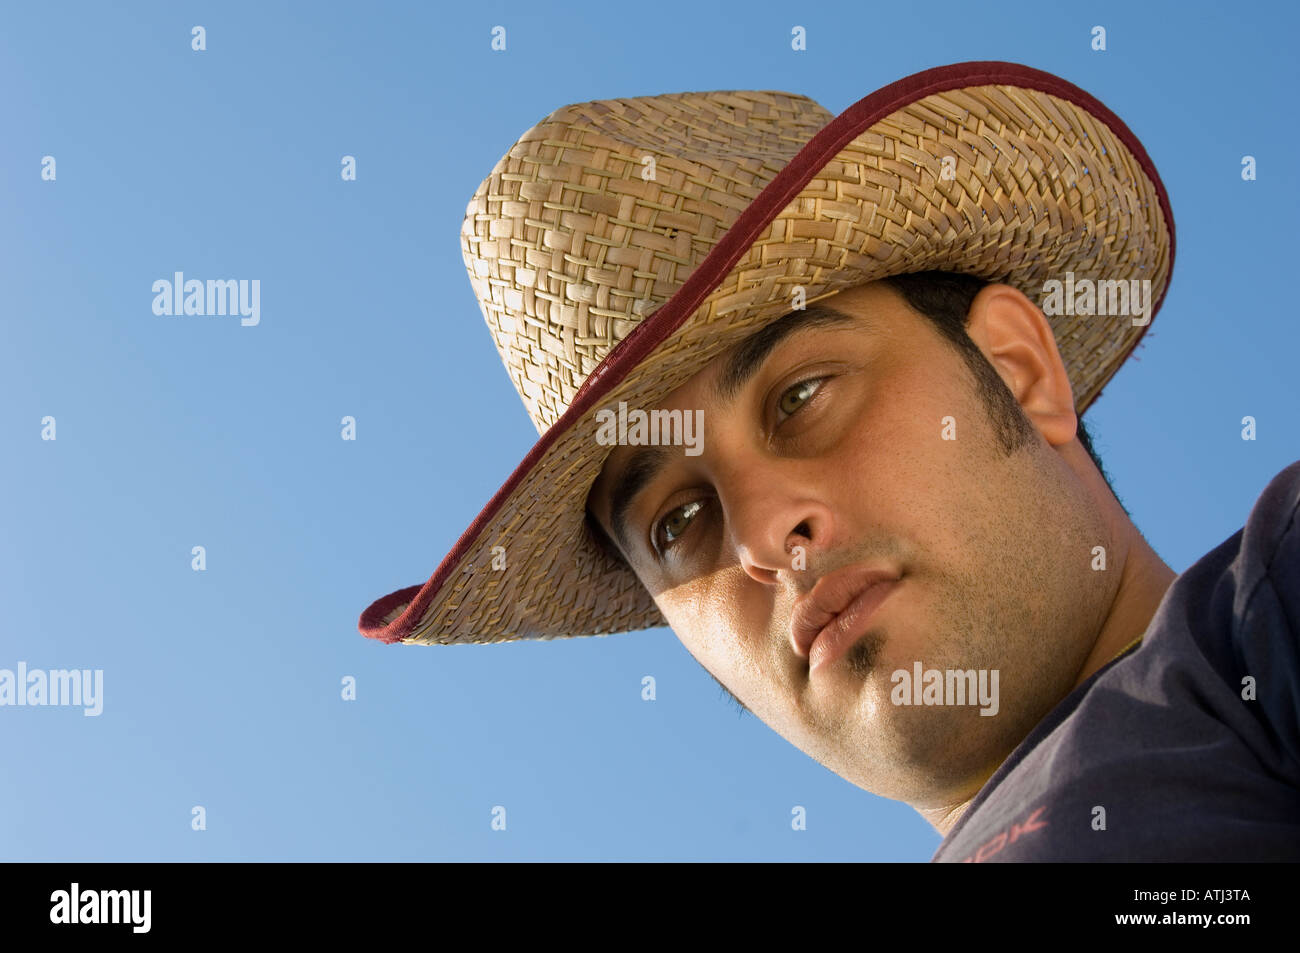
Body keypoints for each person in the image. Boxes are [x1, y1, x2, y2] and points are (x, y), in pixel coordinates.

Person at [359, 61, 1300, 860]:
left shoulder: (1266, 621)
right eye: (678, 523)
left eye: (801, 395)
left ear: (1019, 371)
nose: (767, 533)